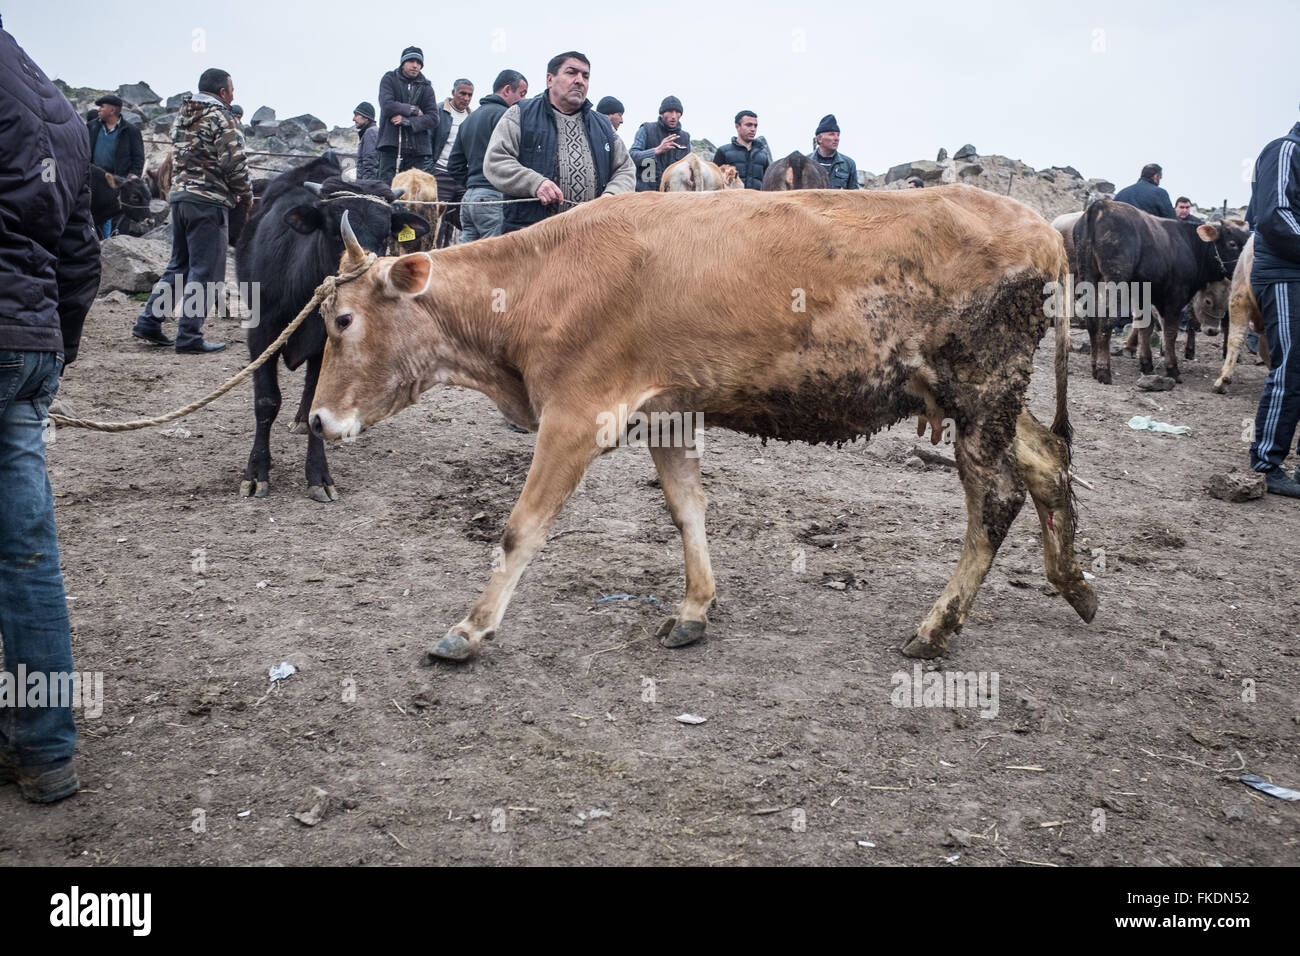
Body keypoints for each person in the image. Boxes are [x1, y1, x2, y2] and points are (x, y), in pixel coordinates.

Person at [0, 24, 101, 803]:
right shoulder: (59, 111)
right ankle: (46, 748)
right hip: (27, 345)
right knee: (27, 554)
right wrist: (51, 353)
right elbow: (80, 253)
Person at [131, 67, 251, 354]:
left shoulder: (183, 116)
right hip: (208, 202)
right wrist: (245, 195)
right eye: (231, 90)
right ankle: (189, 335)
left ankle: (150, 320)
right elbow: (234, 164)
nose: (233, 95)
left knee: (179, 265)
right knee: (206, 271)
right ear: (223, 92)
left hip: (181, 199)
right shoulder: (222, 117)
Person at [484, 51, 635, 235]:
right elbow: (496, 160)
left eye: (585, 76)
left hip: (590, 237)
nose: (580, 80)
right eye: (571, 72)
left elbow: (626, 169)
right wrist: (535, 183)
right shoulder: (521, 114)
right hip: (532, 239)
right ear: (550, 79)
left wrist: (611, 196)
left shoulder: (603, 126)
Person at [1246, 110, 1300, 497]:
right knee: (1291, 364)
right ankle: (1268, 462)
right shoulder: (1285, 150)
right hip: (1285, 273)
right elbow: (1274, 215)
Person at [448, 69, 528, 242]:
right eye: (522, 94)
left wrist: (473, 183)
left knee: (465, 258)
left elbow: (453, 165)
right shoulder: (507, 118)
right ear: (507, 90)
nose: (524, 100)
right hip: (493, 197)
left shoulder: (469, 119)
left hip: (469, 199)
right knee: (495, 259)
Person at [86, 93, 145, 238]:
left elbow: (138, 158)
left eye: (102, 106)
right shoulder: (92, 127)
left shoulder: (131, 131)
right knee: (92, 216)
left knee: (117, 219)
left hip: (119, 183)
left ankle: (112, 245)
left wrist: (132, 177)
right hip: (94, 182)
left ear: (112, 110)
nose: (99, 109)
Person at [377, 46, 438, 183]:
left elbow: (433, 118)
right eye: (411, 61)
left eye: (419, 63)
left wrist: (408, 121)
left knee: (412, 194)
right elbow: (387, 105)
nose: (415, 66)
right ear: (403, 62)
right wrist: (413, 110)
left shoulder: (426, 87)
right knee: (386, 190)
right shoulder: (389, 79)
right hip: (390, 146)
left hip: (417, 151)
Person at [429, 78, 474, 247]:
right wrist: (430, 171)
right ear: (453, 92)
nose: (466, 98)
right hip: (440, 172)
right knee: (435, 220)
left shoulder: (472, 117)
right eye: (463, 93)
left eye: (470, 95)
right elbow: (429, 141)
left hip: (461, 176)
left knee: (465, 216)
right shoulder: (439, 111)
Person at [630, 95, 690, 192]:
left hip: (673, 196)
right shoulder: (646, 129)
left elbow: (689, 164)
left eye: (677, 112)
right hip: (646, 195)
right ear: (661, 114)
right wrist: (657, 150)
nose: (674, 116)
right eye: (670, 111)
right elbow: (632, 157)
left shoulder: (685, 137)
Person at [712, 110, 770, 190]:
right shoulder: (723, 152)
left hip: (758, 201)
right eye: (749, 125)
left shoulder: (763, 155)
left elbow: (767, 183)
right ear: (737, 126)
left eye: (755, 126)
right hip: (731, 200)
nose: (753, 129)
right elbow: (714, 182)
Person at [808, 115, 859, 189]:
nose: (836, 138)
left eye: (838, 135)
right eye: (831, 134)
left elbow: (855, 195)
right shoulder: (806, 163)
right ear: (819, 139)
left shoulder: (848, 164)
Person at [353, 101, 380, 180]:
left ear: (366, 117)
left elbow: (370, 164)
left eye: (356, 115)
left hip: (368, 186)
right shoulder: (371, 132)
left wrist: (367, 186)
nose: (353, 119)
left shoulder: (371, 132)